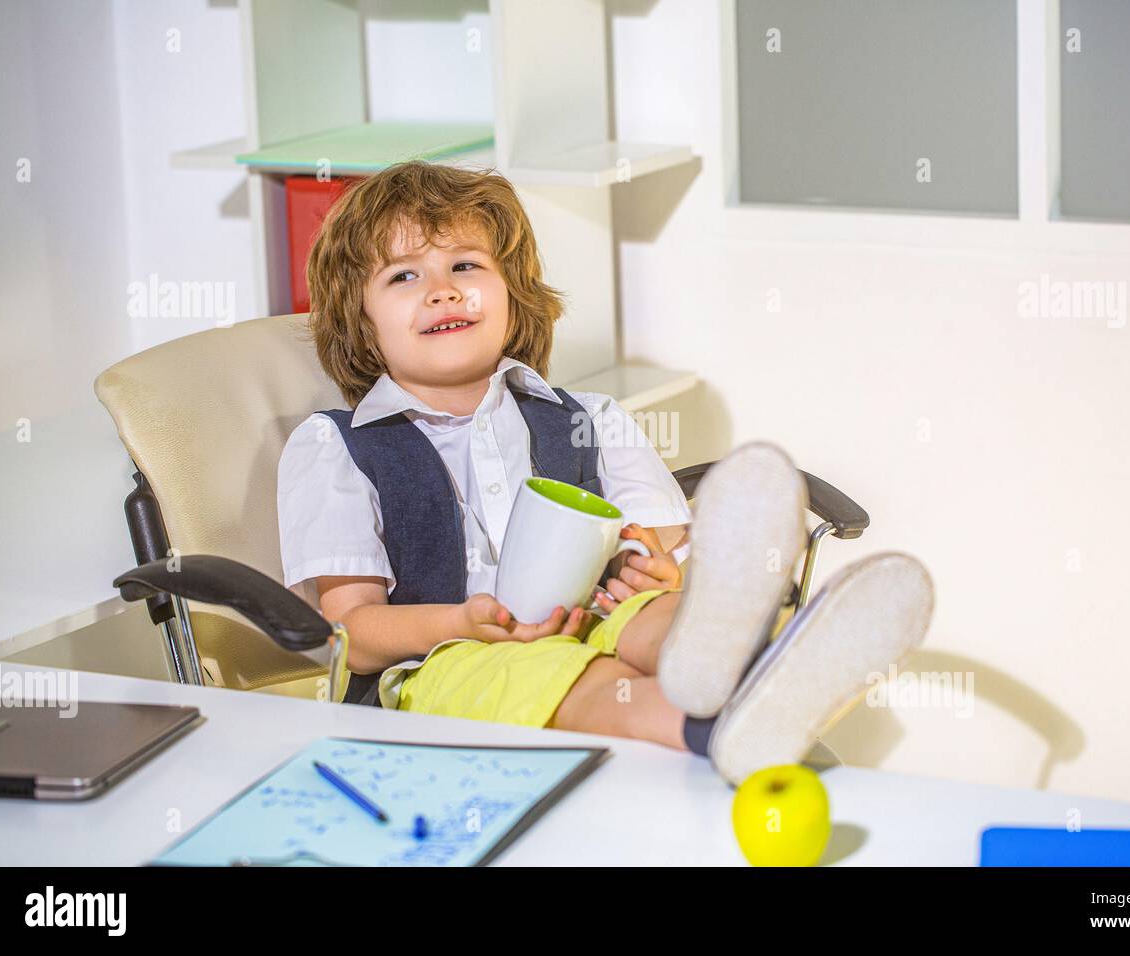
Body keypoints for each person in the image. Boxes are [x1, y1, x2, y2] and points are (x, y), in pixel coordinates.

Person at [278, 161, 933, 785]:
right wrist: (458, 623)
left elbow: (648, 544)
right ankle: (726, 725)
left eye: (465, 265)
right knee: (577, 682)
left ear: (514, 295)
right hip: (444, 661)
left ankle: (752, 658)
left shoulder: (589, 417)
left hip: (592, 612)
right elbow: (352, 635)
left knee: (657, 613)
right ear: (362, 329)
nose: (443, 288)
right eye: (403, 277)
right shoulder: (337, 447)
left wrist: (648, 565)